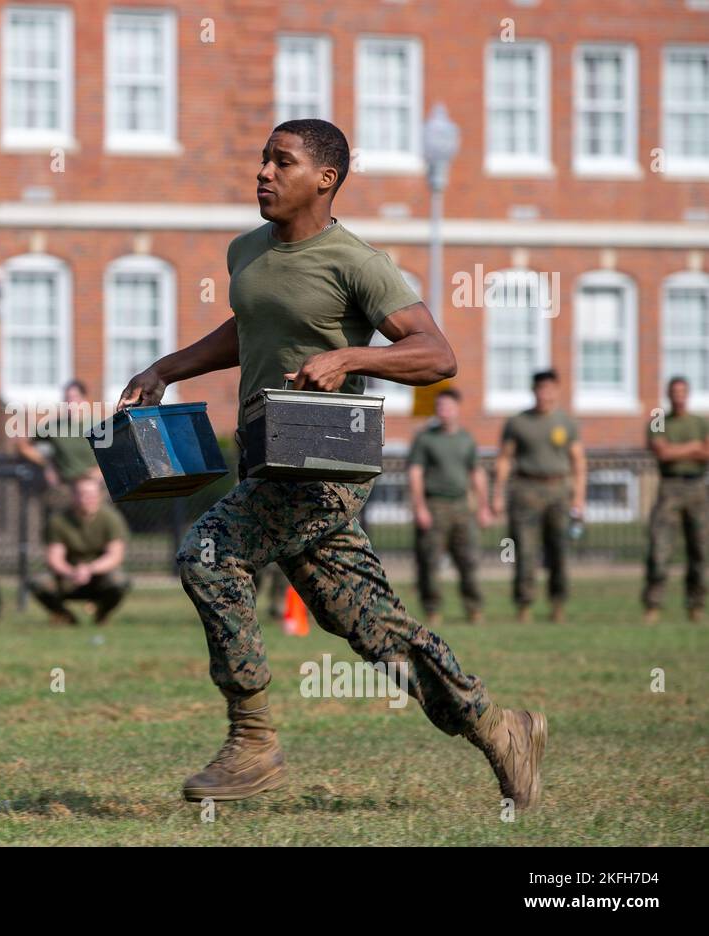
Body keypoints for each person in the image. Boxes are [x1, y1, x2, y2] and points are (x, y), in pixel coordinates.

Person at [117, 118, 546, 811]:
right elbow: (250, 323)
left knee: (205, 549)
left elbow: (437, 354)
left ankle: (252, 740)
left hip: (326, 469)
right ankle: (501, 729)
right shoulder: (246, 252)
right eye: (261, 158)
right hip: (266, 461)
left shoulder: (358, 262)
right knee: (374, 630)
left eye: (281, 162)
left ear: (324, 179)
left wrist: (352, 355)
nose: (262, 171)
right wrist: (170, 366)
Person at [491, 369, 586, 624]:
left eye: (550, 388)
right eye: (540, 388)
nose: (545, 394)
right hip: (526, 490)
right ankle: (524, 604)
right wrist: (497, 494)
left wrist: (579, 498)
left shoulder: (566, 423)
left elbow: (578, 462)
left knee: (560, 550)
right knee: (525, 551)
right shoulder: (518, 422)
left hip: (558, 491)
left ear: (557, 390)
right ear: (534, 391)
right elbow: (504, 459)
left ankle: (558, 603)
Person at [406, 387, 490, 627]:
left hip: (462, 506)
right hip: (434, 505)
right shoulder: (425, 439)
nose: (444, 411)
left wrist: (484, 506)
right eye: (440, 407)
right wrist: (419, 507)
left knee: (469, 560)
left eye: (448, 406)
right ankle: (432, 609)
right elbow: (415, 474)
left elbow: (477, 473)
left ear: (457, 409)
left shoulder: (466, 439)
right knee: (429, 561)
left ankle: (474, 609)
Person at [642, 376, 709, 624]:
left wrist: (678, 450)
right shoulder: (660, 420)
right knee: (660, 549)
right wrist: (693, 448)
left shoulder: (700, 423)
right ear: (668, 395)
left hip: (697, 488)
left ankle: (696, 606)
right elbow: (662, 451)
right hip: (669, 487)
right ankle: (653, 605)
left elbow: (707, 452)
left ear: (688, 394)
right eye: (674, 392)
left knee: (700, 551)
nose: (679, 396)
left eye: (683, 391)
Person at [28, 475, 131, 625]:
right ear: (73, 495)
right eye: (83, 494)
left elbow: (115, 556)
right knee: (39, 583)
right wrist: (72, 572)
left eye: (92, 494)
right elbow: (55, 558)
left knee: (119, 580)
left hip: (99, 577)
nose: (88, 498)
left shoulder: (111, 518)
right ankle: (65, 616)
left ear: (100, 495)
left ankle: (102, 614)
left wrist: (89, 569)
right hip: (68, 577)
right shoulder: (58, 521)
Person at [16, 379, 101, 517]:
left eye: (74, 398)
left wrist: (100, 471)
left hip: (92, 488)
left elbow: (116, 454)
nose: (70, 402)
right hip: (64, 488)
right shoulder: (55, 427)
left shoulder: (98, 425)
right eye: (67, 398)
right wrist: (46, 463)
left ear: (84, 399)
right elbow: (23, 445)